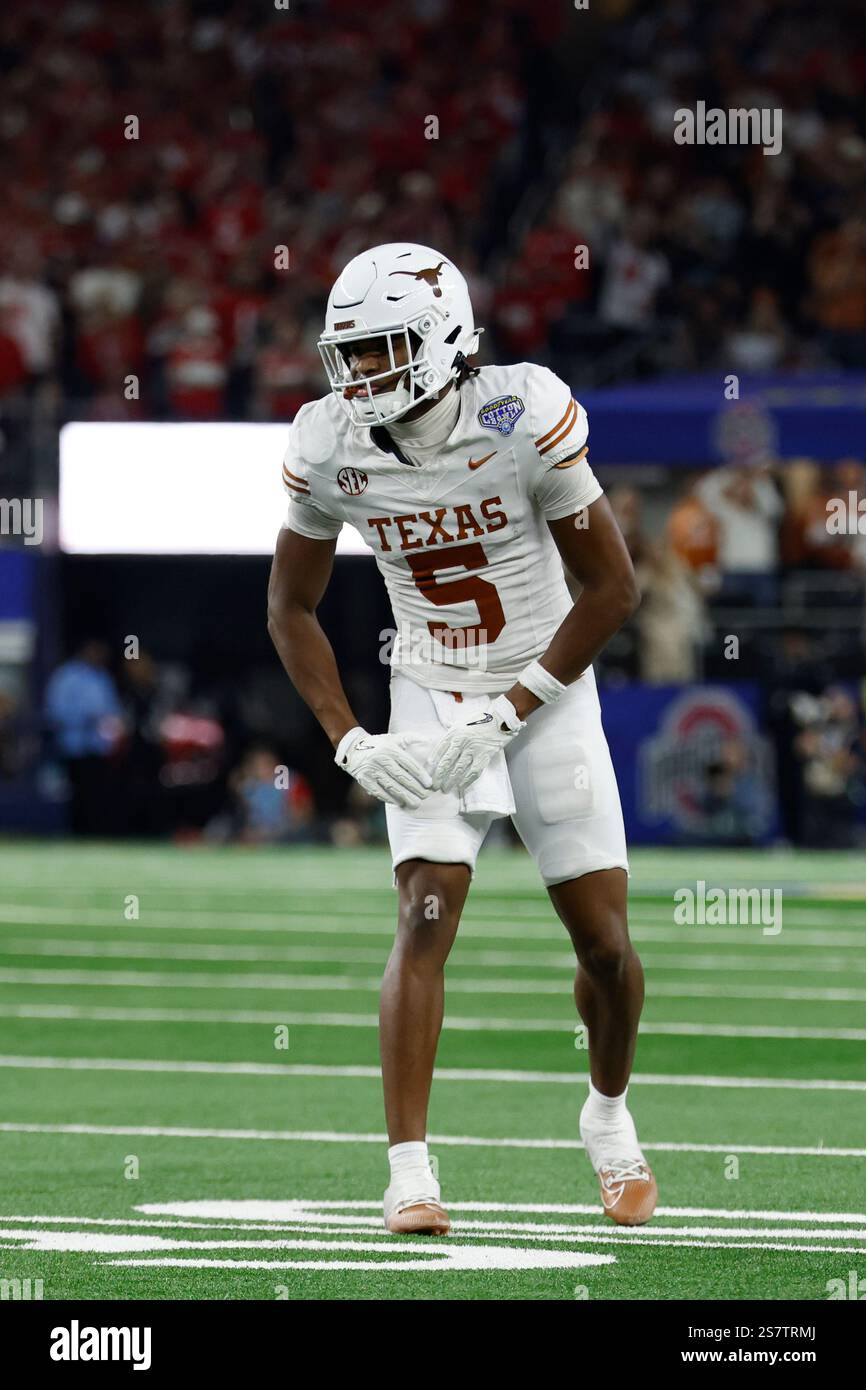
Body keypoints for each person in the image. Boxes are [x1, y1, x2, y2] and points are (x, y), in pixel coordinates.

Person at [267, 243, 651, 1236]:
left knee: (603, 944)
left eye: (383, 349)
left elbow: (613, 591)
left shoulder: (519, 413)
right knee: (423, 914)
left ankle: (605, 1116)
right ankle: (407, 1170)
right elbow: (290, 607)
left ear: (441, 342)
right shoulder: (329, 443)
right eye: (347, 354)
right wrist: (349, 740)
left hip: (545, 685)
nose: (359, 376)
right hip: (431, 682)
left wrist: (513, 709)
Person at [43, 640, 123, 835]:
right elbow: (56, 712)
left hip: (99, 746)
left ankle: (96, 831)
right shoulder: (66, 676)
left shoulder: (102, 677)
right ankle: (77, 831)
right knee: (77, 792)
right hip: (74, 745)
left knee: (98, 792)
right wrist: (84, 718)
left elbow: (112, 710)